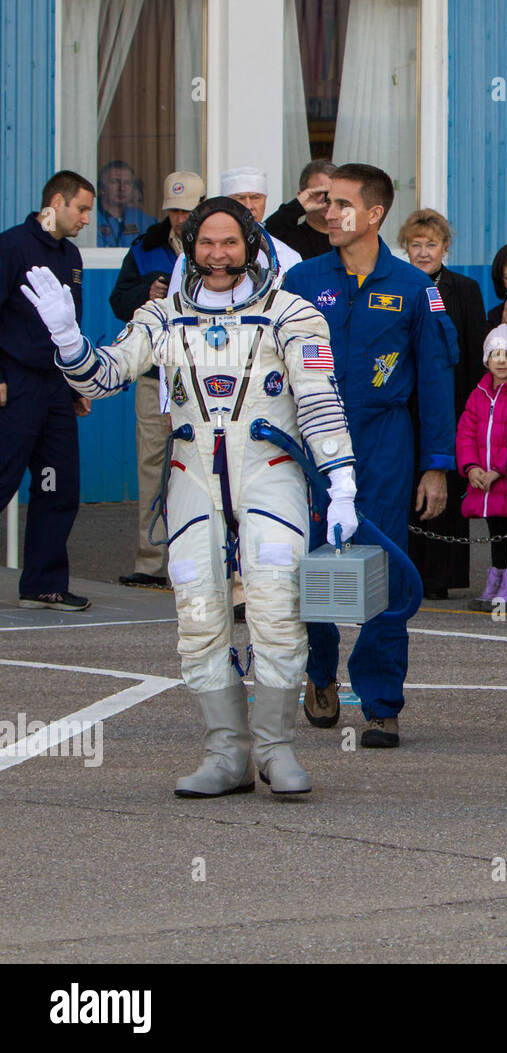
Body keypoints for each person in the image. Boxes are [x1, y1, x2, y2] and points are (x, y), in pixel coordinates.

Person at [23, 196, 357, 796]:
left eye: (229, 243)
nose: (218, 255)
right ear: (190, 247)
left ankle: (276, 750)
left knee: (276, 607)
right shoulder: (162, 317)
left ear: (251, 245)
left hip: (271, 471)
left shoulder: (293, 313)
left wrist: (342, 483)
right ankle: (226, 753)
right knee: (200, 616)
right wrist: (69, 338)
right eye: (206, 243)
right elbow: (105, 376)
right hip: (191, 477)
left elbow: (320, 402)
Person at [281, 163, 458, 749]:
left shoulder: (412, 287)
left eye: (341, 204)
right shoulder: (303, 281)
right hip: (311, 446)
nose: (328, 214)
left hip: (384, 445)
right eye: (325, 204)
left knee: (381, 569)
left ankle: (382, 703)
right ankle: (319, 673)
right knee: (312, 563)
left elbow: (435, 380)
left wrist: (435, 464)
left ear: (375, 213)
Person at [0, 171, 95, 611]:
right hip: (14, 384)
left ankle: (43, 583)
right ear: (55, 202)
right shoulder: (12, 246)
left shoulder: (71, 257)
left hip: (57, 387)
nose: (86, 218)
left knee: (59, 487)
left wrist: (78, 382)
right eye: (81, 208)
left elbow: (72, 326)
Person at [110, 171, 206, 590]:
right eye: (174, 210)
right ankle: (150, 562)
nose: (180, 218)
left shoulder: (221, 246)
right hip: (154, 374)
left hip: (205, 377)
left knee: (203, 468)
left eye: (188, 210)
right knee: (152, 465)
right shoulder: (144, 248)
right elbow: (118, 301)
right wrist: (146, 293)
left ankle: (200, 561)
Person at [398, 207, 488, 599]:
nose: (422, 252)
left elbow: (474, 349)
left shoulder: (464, 289)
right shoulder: (398, 286)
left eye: (430, 244)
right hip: (407, 404)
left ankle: (441, 575)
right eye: (415, 245)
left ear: (445, 247)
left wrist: (471, 408)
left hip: (453, 402)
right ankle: (408, 570)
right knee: (407, 484)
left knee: (446, 487)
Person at [457, 325, 507, 611]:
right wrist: (470, 467)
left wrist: (500, 469)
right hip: (485, 482)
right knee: (497, 533)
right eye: (495, 354)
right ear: (486, 359)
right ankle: (496, 579)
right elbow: (465, 432)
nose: (501, 360)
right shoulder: (479, 393)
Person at [166, 168, 303, 294]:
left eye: (256, 197)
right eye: (240, 198)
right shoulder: (187, 259)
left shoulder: (289, 256)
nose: (249, 206)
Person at [265, 160, 336, 260]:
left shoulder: (349, 236)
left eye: (332, 192)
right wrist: (297, 206)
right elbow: (265, 235)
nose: (327, 198)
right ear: (302, 196)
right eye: (319, 192)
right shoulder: (292, 238)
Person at [96, 161, 156, 247]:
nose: (122, 188)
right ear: (102, 187)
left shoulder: (145, 221)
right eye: (115, 182)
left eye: (127, 183)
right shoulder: (90, 218)